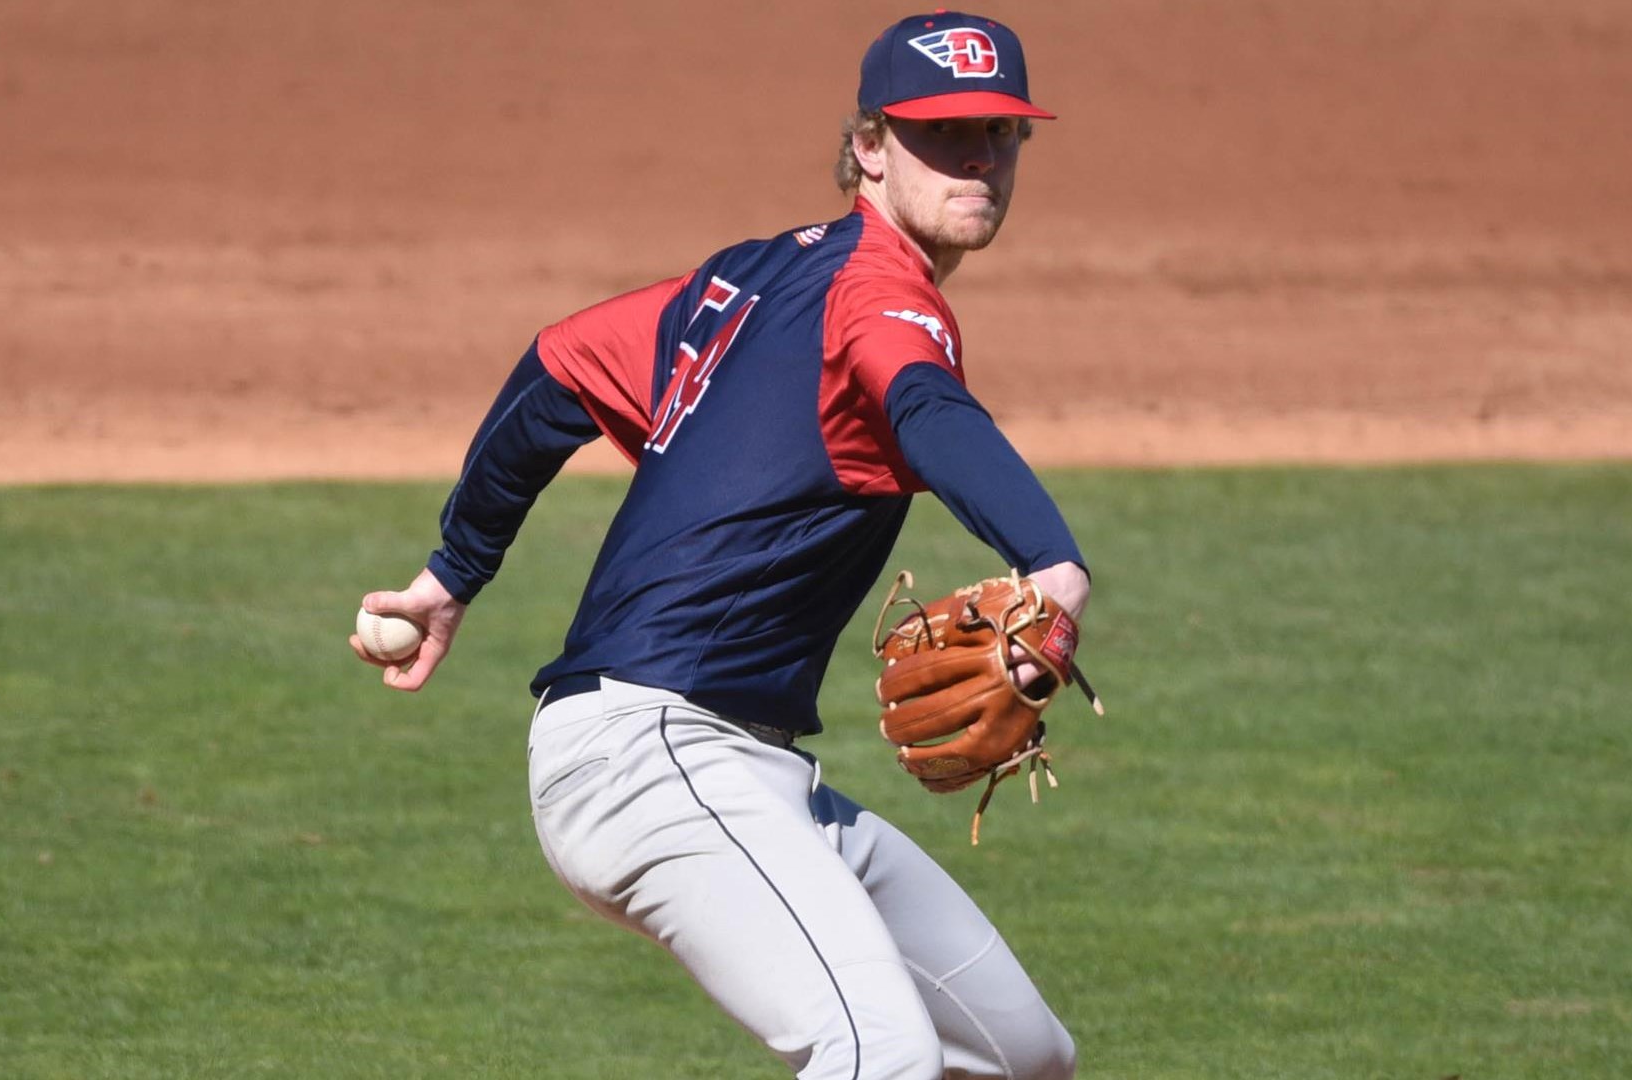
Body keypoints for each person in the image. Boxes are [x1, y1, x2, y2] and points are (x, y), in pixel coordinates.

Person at [351, 11, 1087, 1078]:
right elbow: (927, 408)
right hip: (653, 756)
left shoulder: (745, 283)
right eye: (941, 132)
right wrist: (1053, 566)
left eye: (1000, 132)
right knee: (879, 1053)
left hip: (742, 769)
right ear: (871, 145)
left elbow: (556, 371)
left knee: (1021, 1056)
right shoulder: (876, 293)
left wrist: (450, 575)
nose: (978, 156)